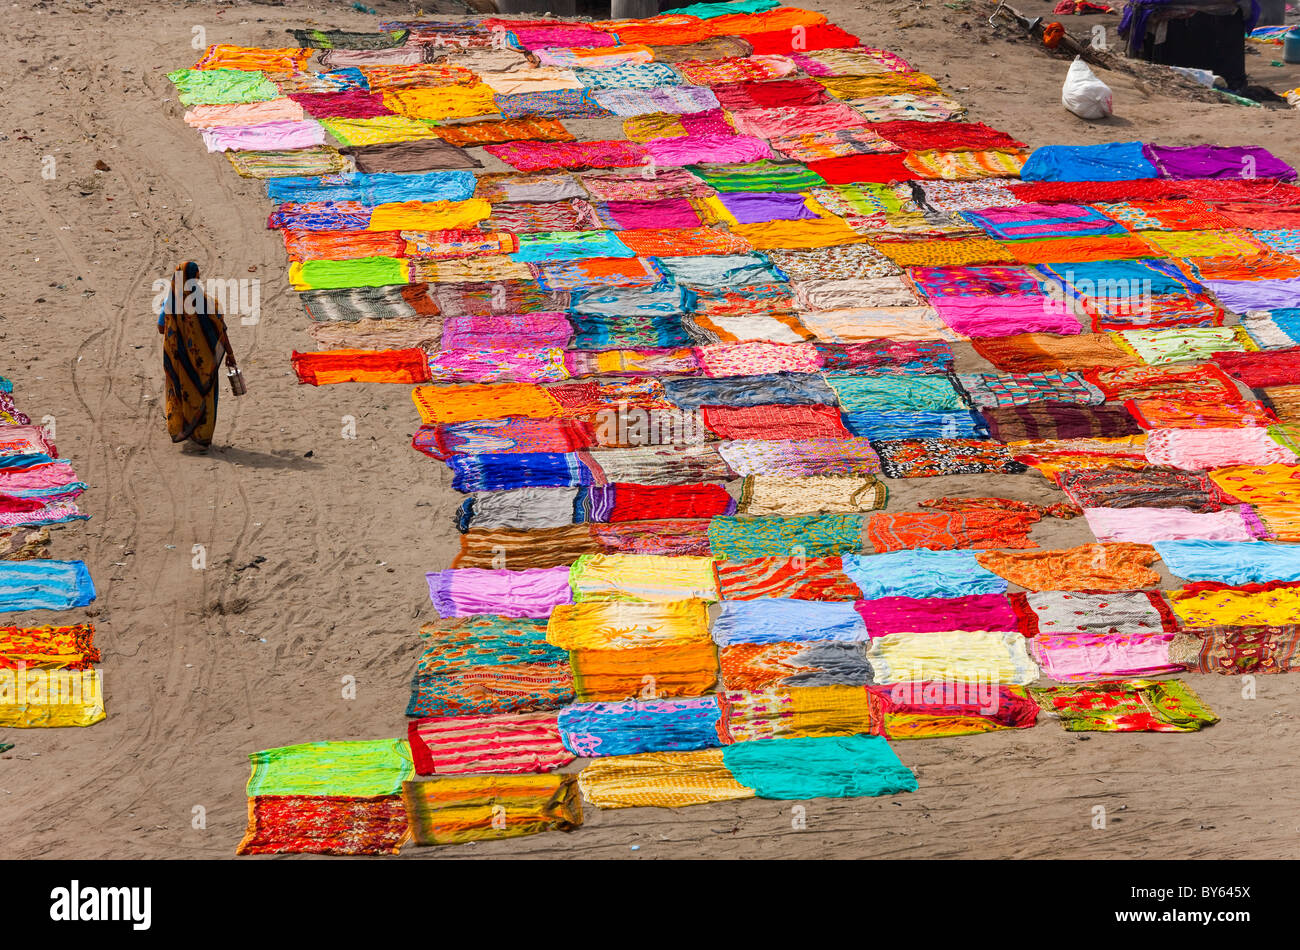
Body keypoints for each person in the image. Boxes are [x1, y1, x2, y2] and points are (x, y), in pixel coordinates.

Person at [157, 261, 237, 449]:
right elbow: (220, 331)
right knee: (205, 394)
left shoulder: (170, 304)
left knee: (181, 391)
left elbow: (161, 328)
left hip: (179, 362)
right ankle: (202, 435)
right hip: (204, 363)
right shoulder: (208, 303)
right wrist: (230, 354)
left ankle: (183, 429)